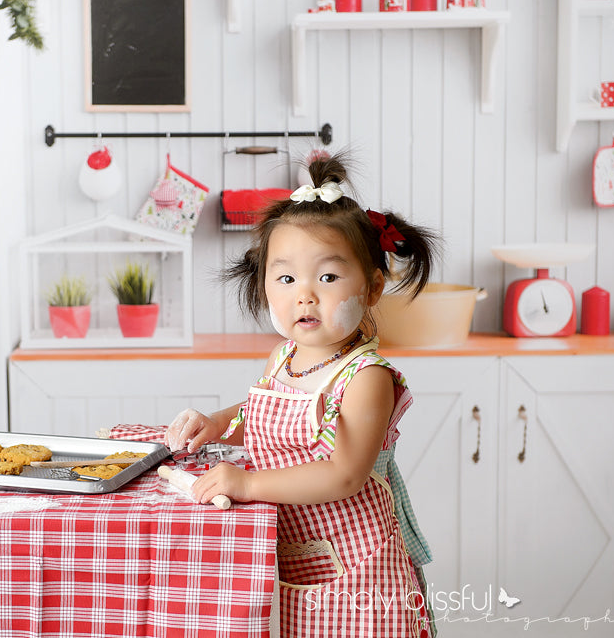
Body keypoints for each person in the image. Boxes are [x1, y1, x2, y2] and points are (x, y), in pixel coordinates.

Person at [166, 152, 440, 637]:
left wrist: (247, 485)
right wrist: (217, 424)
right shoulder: (285, 356)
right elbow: (263, 411)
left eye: (328, 277)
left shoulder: (365, 377)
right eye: (286, 278)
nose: (304, 295)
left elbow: (342, 475)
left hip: (363, 579)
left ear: (373, 287)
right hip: (305, 570)